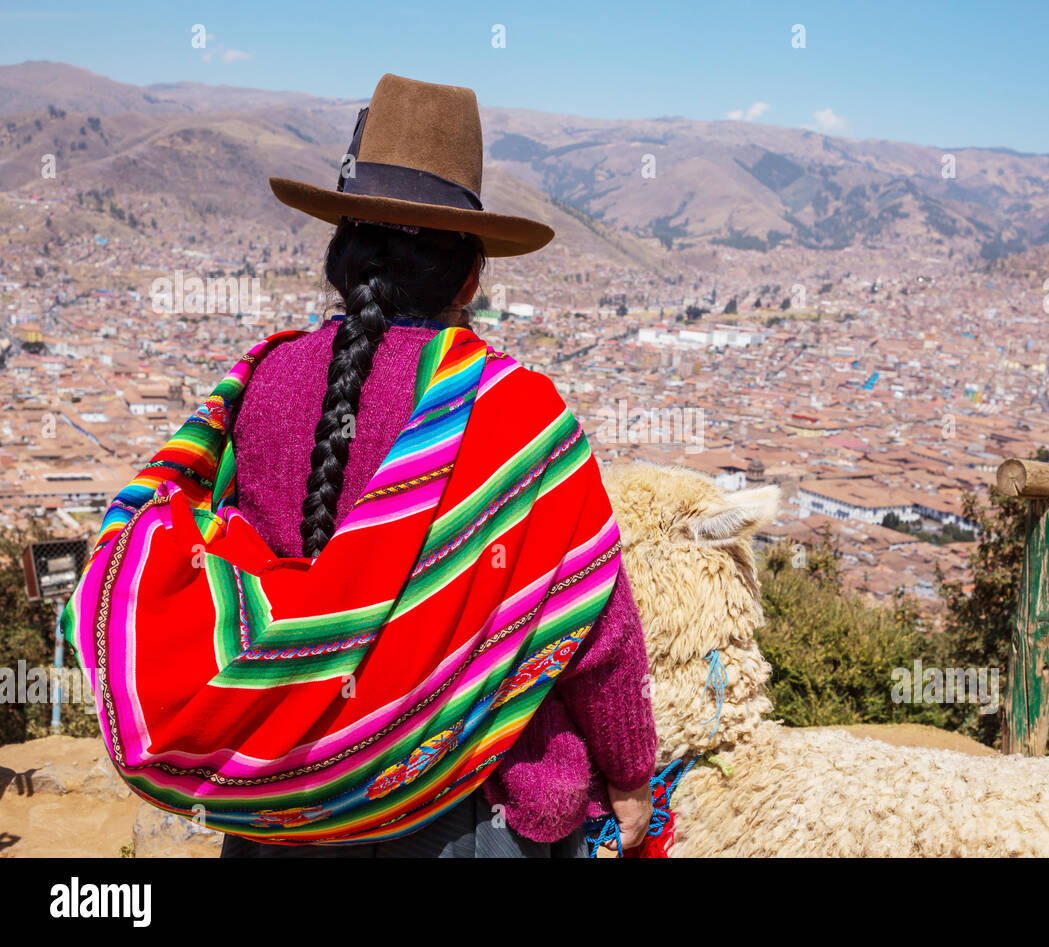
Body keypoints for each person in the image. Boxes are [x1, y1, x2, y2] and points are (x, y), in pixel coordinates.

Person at [63, 74, 657, 859]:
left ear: (339, 254)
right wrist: (630, 774)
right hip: (463, 806)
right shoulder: (517, 417)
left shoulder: (264, 381)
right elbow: (600, 636)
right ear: (471, 275)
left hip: (282, 802)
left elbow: (215, 544)